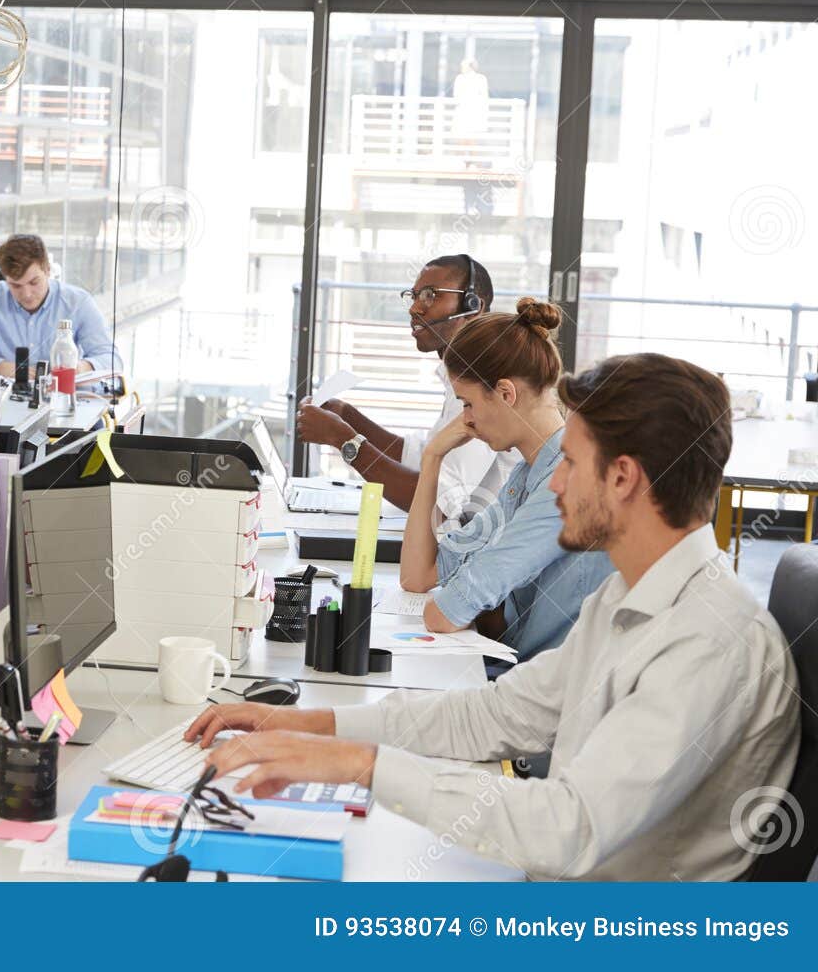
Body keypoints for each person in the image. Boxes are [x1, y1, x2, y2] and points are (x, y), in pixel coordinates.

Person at [187, 353, 800, 881]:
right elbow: (498, 714)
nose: (554, 483)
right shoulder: (629, 599)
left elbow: (571, 827)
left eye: (570, 462)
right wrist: (305, 724)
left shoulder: (711, 639)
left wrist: (360, 766)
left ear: (622, 477)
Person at [396, 298, 612, 660]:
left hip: (556, 691)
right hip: (529, 674)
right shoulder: (527, 474)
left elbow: (446, 612)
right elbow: (418, 576)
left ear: (505, 393)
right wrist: (433, 456)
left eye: (467, 403)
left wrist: (458, 600)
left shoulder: (566, 480)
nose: (466, 420)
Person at [296, 254, 516, 527]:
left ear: (472, 306)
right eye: (413, 296)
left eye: (429, 295)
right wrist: (349, 417)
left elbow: (439, 505)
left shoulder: (484, 381)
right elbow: (425, 457)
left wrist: (344, 441)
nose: (414, 308)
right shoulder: (458, 375)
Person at [0, 233, 120, 378]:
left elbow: (111, 359)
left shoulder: (78, 302)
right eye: (16, 285)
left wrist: (80, 368)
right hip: (5, 400)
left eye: (34, 282)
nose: (27, 294)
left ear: (48, 270)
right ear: (5, 278)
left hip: (61, 398)